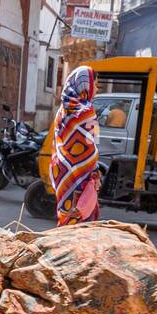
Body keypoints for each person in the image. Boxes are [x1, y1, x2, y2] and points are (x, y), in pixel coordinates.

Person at [49, 65, 101, 226]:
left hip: (62, 171)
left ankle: (59, 245)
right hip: (81, 174)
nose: (97, 90)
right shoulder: (87, 111)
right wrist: (96, 172)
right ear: (85, 85)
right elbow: (93, 145)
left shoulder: (62, 110)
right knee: (80, 217)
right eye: (96, 85)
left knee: (66, 214)